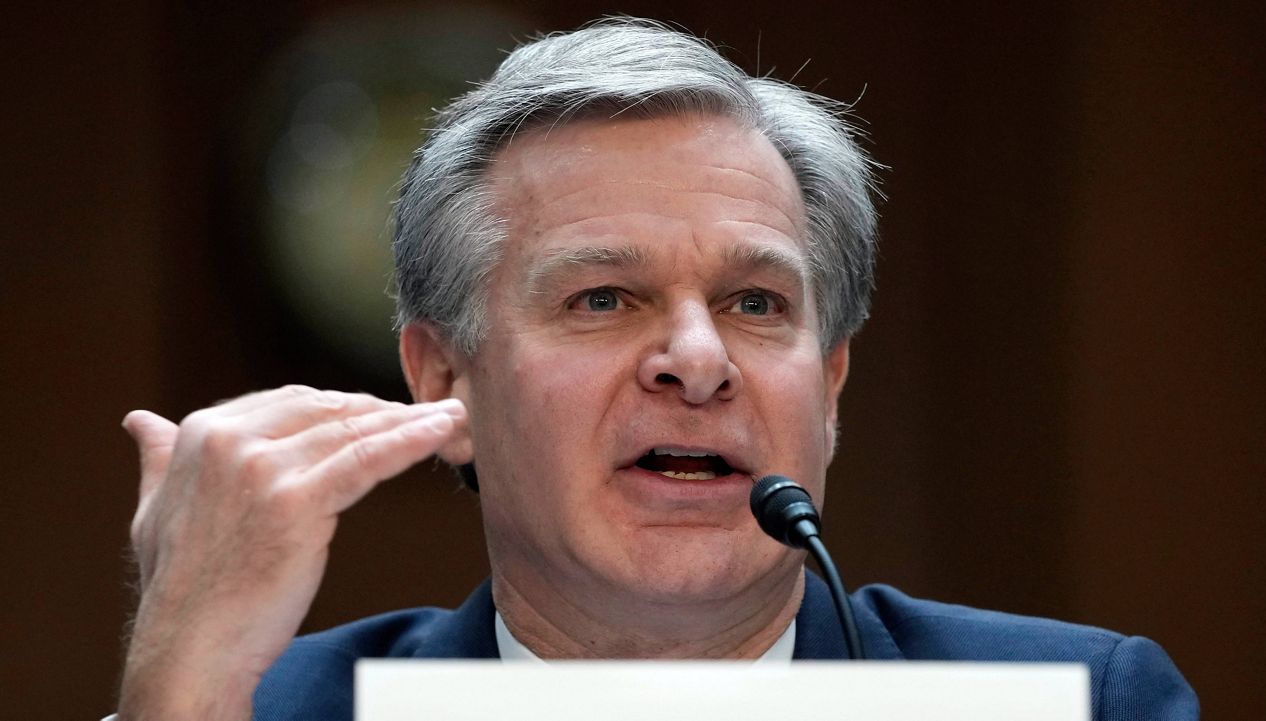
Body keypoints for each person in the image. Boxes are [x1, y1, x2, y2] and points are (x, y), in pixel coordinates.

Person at [113, 18, 1197, 721]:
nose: (697, 359)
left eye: (754, 303)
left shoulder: (1078, 702)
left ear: (827, 385)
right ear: (444, 383)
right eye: (602, 299)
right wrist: (183, 684)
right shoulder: (264, 707)